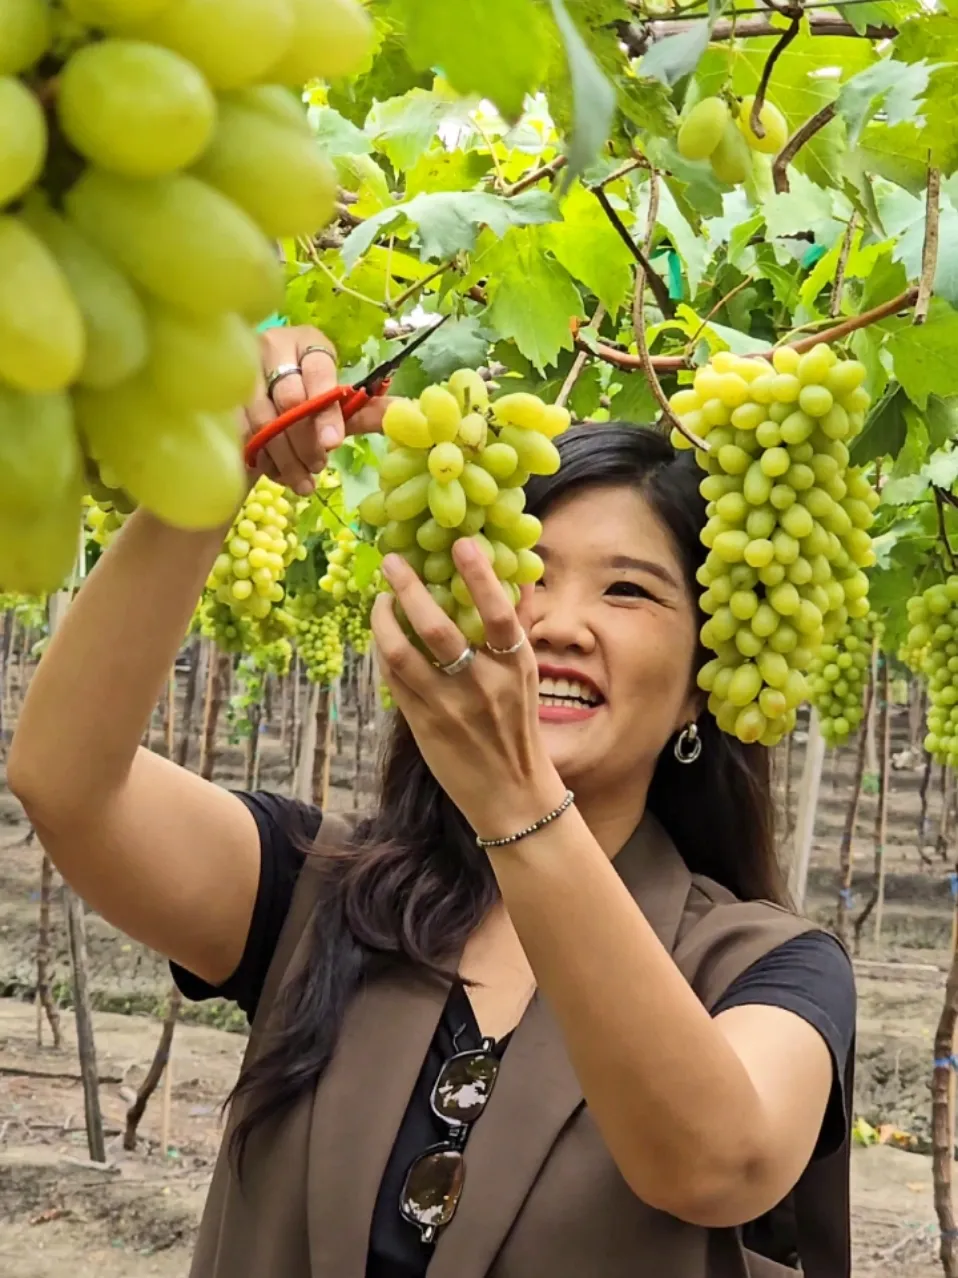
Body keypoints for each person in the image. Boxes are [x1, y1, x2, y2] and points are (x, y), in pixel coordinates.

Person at [8, 325, 856, 1278]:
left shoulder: (770, 972)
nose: (555, 622)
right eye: (525, 572)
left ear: (703, 681)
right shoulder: (321, 897)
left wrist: (517, 805)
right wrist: (216, 466)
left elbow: (717, 1162)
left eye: (627, 591)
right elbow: (67, 780)